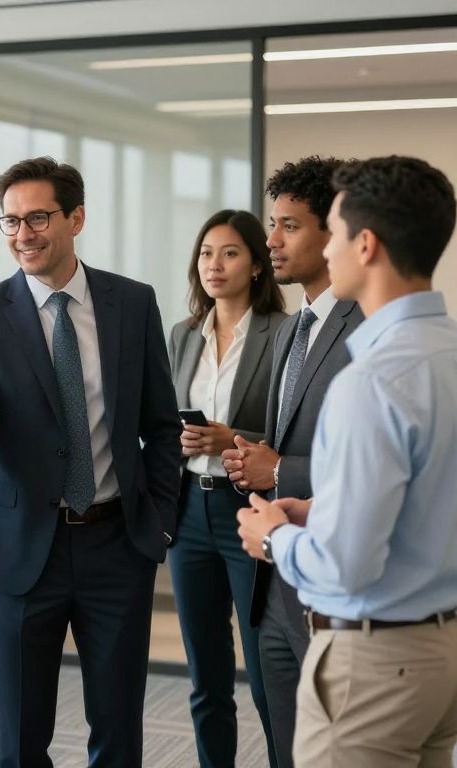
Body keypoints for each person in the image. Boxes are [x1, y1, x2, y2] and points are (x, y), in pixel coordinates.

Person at [0, 156, 182, 767]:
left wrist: (162, 518)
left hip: (116, 544)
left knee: (119, 725)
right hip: (20, 549)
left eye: (38, 217)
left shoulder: (132, 302)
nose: (23, 234)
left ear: (76, 217)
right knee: (21, 735)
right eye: (10, 221)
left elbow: (161, 425)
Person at [237, 155, 457, 767]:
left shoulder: (375, 379)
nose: (326, 250)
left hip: (376, 663)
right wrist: (326, 507)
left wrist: (275, 536)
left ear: (365, 245)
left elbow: (345, 567)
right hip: (443, 651)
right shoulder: (449, 351)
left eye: (332, 230)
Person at [220, 155, 363, 768]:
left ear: (335, 232)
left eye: (290, 226)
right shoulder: (287, 328)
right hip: (274, 586)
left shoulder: (369, 330)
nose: (271, 241)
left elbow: (373, 467)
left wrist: (280, 471)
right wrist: (253, 458)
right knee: (285, 748)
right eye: (271, 224)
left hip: (336, 588)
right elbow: (284, 440)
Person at [167, 209, 284, 767]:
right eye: (207, 252)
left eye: (231, 252)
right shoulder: (183, 334)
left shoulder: (284, 334)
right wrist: (182, 441)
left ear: (258, 265)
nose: (214, 264)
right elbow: (163, 420)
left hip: (253, 509)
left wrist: (228, 439)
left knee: (265, 676)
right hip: (191, 512)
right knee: (206, 677)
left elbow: (292, 432)